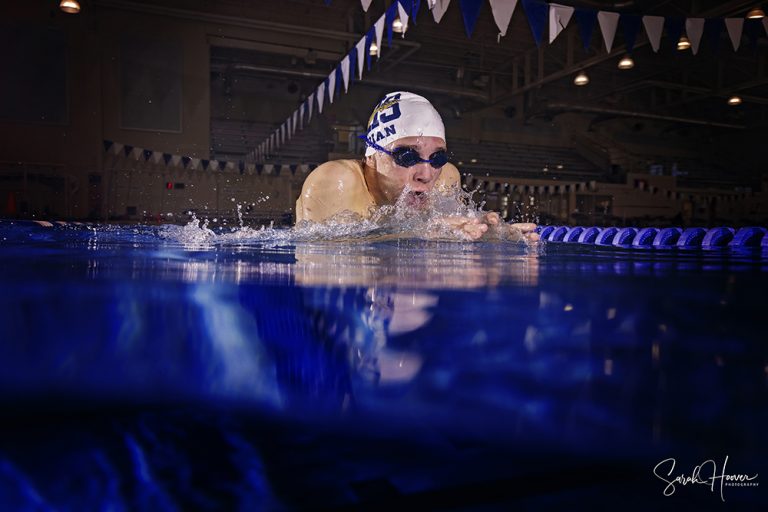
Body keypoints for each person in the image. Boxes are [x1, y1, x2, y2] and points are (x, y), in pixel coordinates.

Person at [295, 91, 538, 241]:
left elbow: (451, 231)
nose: (426, 174)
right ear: (372, 156)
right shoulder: (337, 179)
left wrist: (488, 232)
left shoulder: (447, 176)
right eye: (407, 157)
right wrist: (421, 233)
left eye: (437, 159)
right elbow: (327, 257)